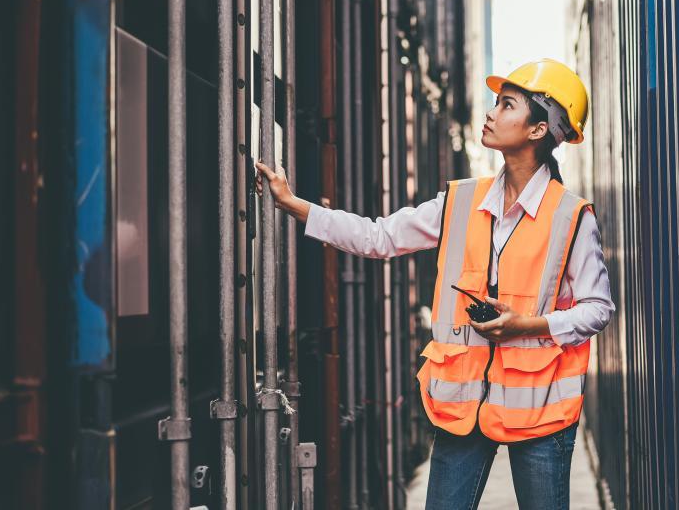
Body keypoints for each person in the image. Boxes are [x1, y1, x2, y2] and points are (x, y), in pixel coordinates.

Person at [256, 59, 615, 510]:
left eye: (506, 105)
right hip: (462, 408)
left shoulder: (570, 216)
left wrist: (526, 324)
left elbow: (597, 308)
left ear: (539, 129)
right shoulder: (460, 200)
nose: (491, 112)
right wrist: (295, 206)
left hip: (539, 411)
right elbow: (379, 236)